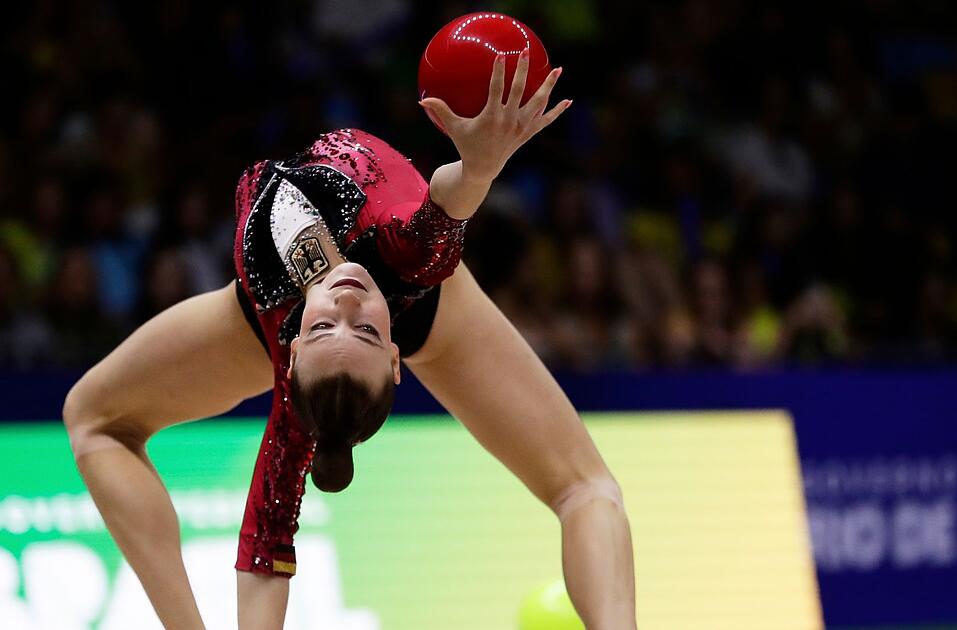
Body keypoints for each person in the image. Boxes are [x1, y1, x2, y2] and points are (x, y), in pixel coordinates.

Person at [63, 51, 636, 629]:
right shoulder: (401, 266)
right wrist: (481, 168)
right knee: (588, 488)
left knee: (92, 416)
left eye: (322, 327)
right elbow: (444, 207)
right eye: (362, 327)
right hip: (427, 303)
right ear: (394, 359)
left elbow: (263, 550)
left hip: (269, 307)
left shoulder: (293, 373)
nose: (345, 301)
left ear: (289, 354)